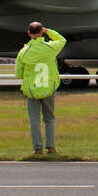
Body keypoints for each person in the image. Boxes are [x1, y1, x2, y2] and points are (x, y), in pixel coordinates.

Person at [13, 21, 67, 155]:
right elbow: (62, 40)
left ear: (29, 33)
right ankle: (51, 147)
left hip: (32, 90)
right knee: (49, 118)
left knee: (34, 120)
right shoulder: (50, 48)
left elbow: (18, 73)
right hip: (48, 88)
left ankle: (38, 148)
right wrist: (48, 31)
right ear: (41, 31)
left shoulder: (24, 52)